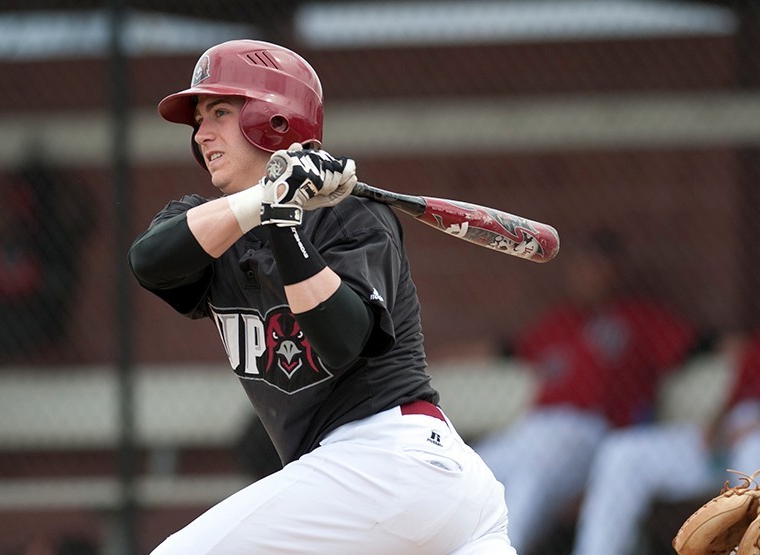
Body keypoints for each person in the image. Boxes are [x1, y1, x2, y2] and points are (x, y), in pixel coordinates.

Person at [128, 39, 516, 554]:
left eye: (219, 112)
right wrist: (267, 200)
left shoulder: (352, 214)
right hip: (399, 493)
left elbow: (342, 339)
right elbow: (149, 262)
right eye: (199, 120)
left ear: (276, 119)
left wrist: (286, 225)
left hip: (389, 460)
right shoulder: (204, 222)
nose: (202, 134)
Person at [464, 229, 704, 553]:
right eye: (582, 266)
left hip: (590, 431)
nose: (588, 275)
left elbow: (706, 346)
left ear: (617, 272)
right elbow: (500, 350)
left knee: (527, 485)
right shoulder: (559, 322)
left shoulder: (641, 317)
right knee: (468, 473)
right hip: (534, 429)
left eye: (597, 266)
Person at [571, 332, 760, 555]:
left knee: (753, 452)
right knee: (622, 452)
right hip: (730, 435)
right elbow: (739, 396)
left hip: (753, 442)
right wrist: (716, 425)